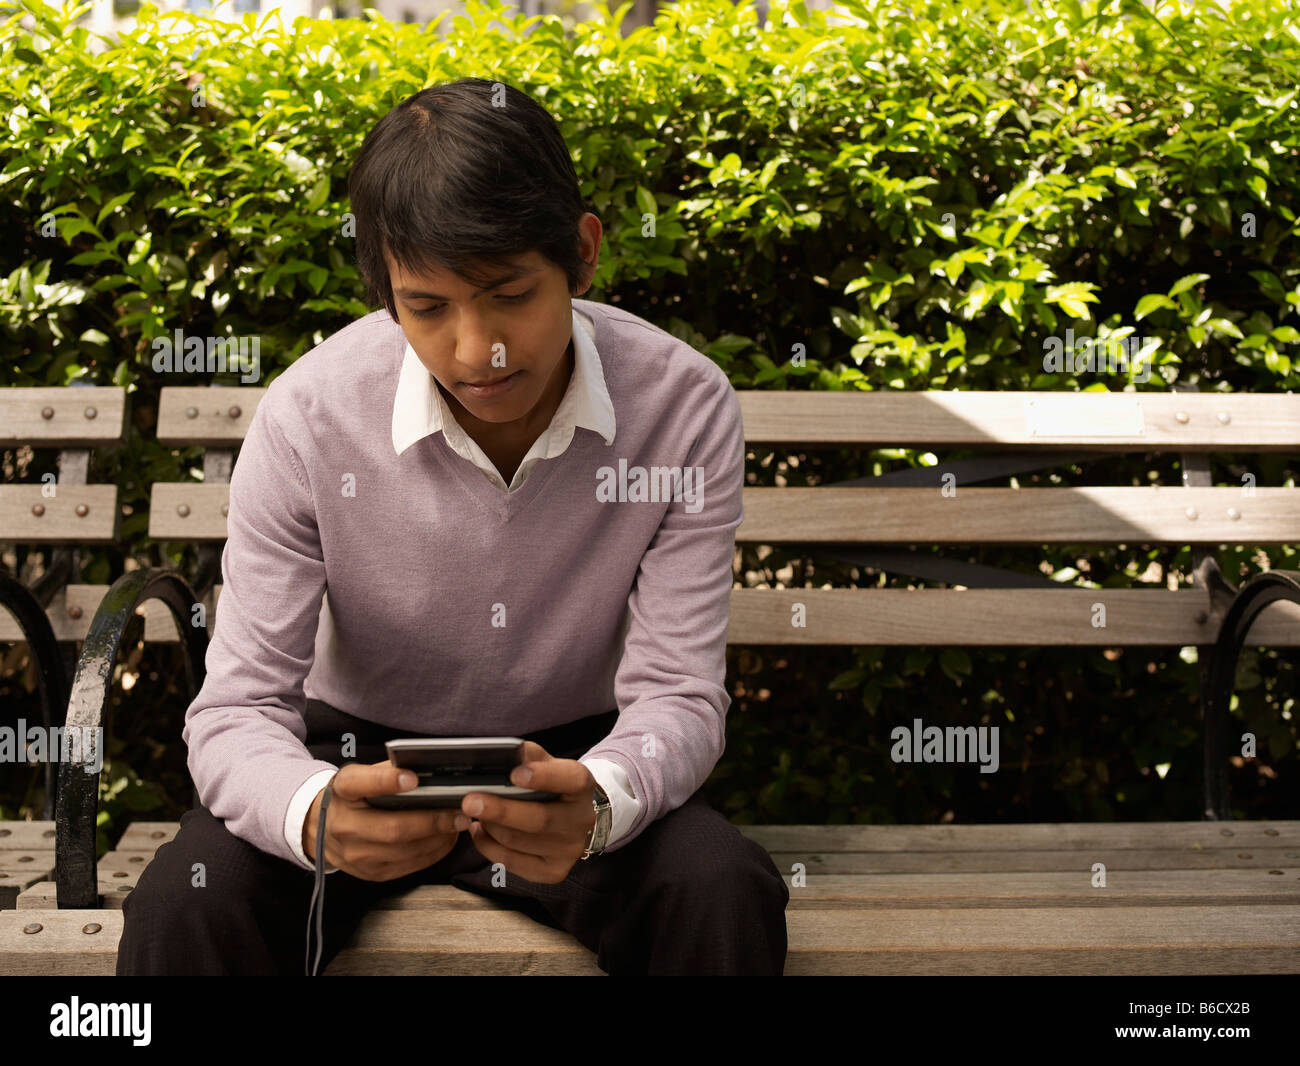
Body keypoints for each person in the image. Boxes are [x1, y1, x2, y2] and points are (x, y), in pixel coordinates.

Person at [115, 77, 789, 976]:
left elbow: (679, 692)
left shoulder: (681, 404)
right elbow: (238, 708)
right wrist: (313, 807)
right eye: (428, 308)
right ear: (388, 295)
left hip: (572, 758)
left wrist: (604, 794)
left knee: (720, 890)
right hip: (348, 757)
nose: (479, 351)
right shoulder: (308, 416)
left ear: (581, 256)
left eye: (511, 293)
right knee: (182, 911)